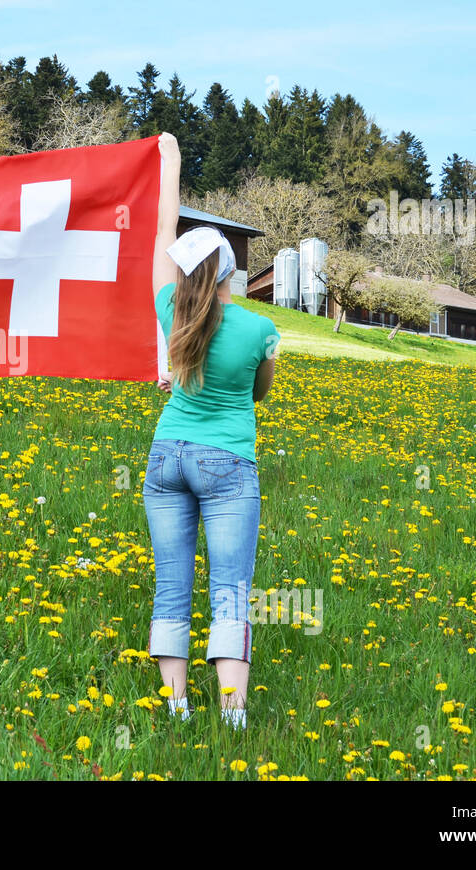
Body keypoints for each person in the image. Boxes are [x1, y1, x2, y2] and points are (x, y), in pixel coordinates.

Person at [145, 131, 278, 730]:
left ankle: (176, 706)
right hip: (227, 465)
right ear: (232, 276)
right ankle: (233, 714)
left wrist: (169, 162)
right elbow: (258, 392)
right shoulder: (259, 330)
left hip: (166, 457)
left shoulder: (170, 309)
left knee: (172, 584)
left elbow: (160, 233)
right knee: (229, 588)